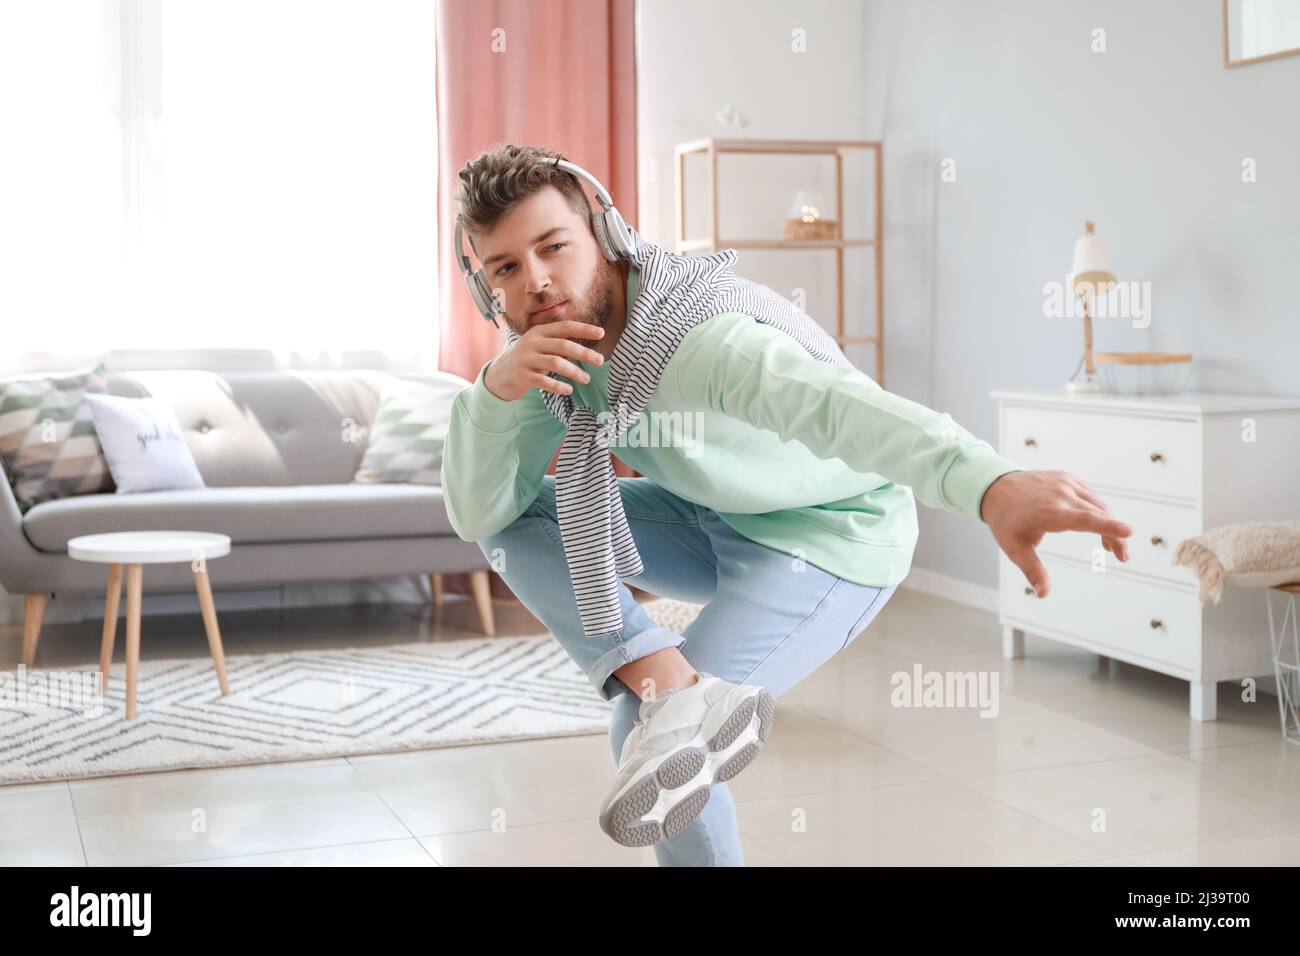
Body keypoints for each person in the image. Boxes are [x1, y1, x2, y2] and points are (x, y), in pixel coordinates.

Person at [440, 143, 1133, 867]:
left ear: (607, 233)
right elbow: (476, 514)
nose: (538, 282)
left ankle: (671, 703)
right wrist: (497, 393)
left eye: (554, 247)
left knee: (647, 736)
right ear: (485, 289)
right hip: (718, 519)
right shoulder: (545, 364)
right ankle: (669, 680)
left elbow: (848, 412)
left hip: (831, 537)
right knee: (523, 534)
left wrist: (990, 482)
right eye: (507, 269)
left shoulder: (704, 340)